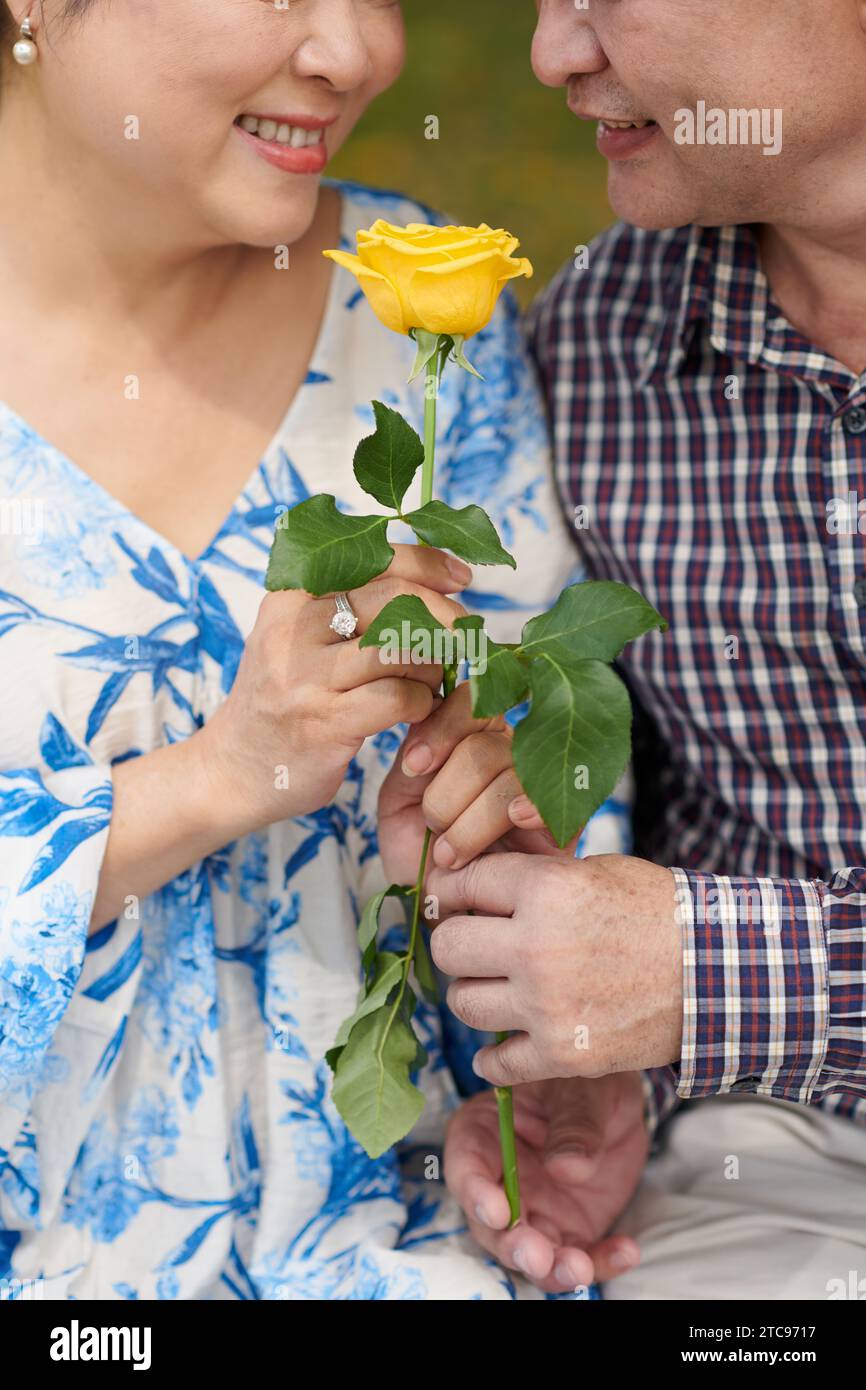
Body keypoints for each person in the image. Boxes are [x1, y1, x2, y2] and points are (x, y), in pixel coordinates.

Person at [0, 0, 627, 1300]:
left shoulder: (421, 317)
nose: (354, 53)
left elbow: (566, 843)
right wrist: (216, 780)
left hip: (392, 1250)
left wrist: (481, 899)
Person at [436, 0, 866, 1300]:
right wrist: (612, 1069)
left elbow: (703, 954)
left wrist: (708, 974)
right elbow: (685, 821)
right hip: (784, 1151)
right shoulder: (599, 343)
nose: (552, 55)